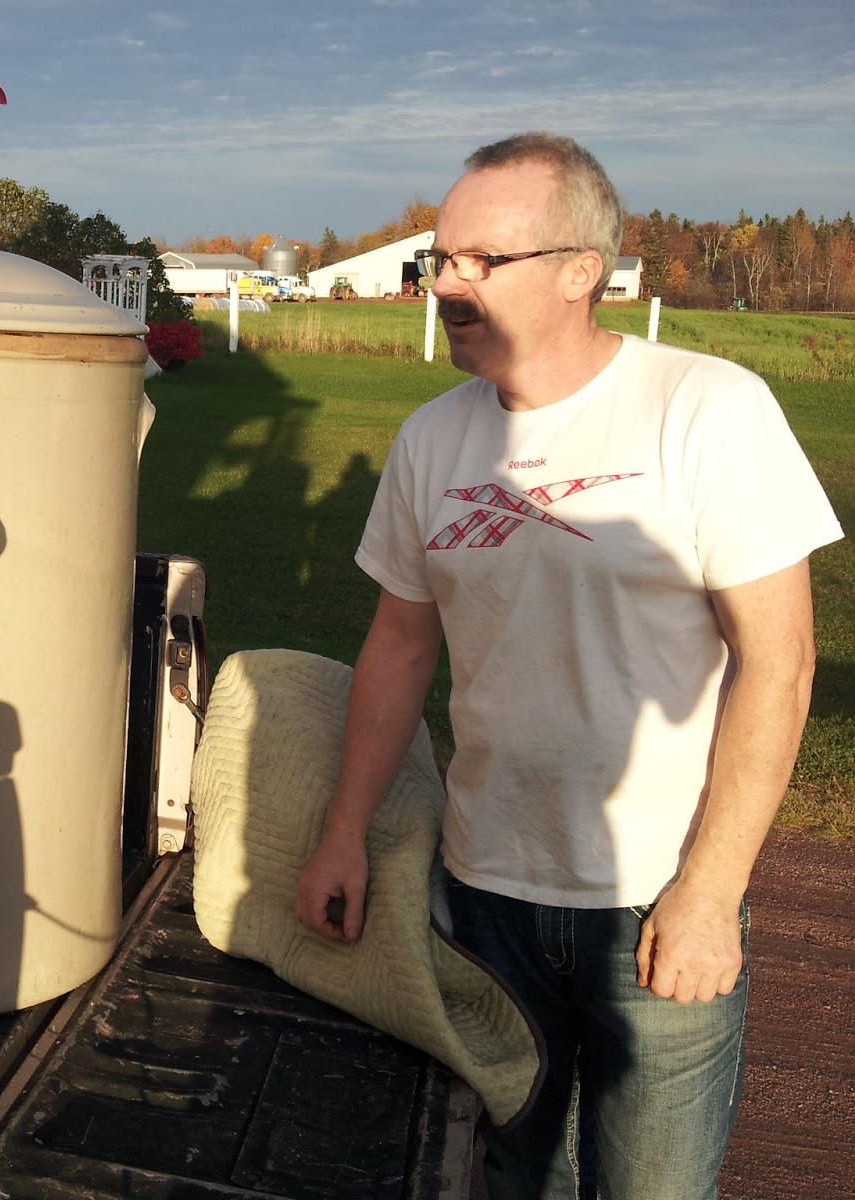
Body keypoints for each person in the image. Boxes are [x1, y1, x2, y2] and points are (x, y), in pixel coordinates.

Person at [294, 131, 844, 1200]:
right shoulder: (430, 440)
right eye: (438, 260)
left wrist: (710, 891)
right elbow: (400, 646)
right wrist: (343, 833)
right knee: (510, 1180)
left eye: (479, 262)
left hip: (654, 901)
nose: (445, 285)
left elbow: (778, 663)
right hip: (483, 894)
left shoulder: (705, 409)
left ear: (580, 272)